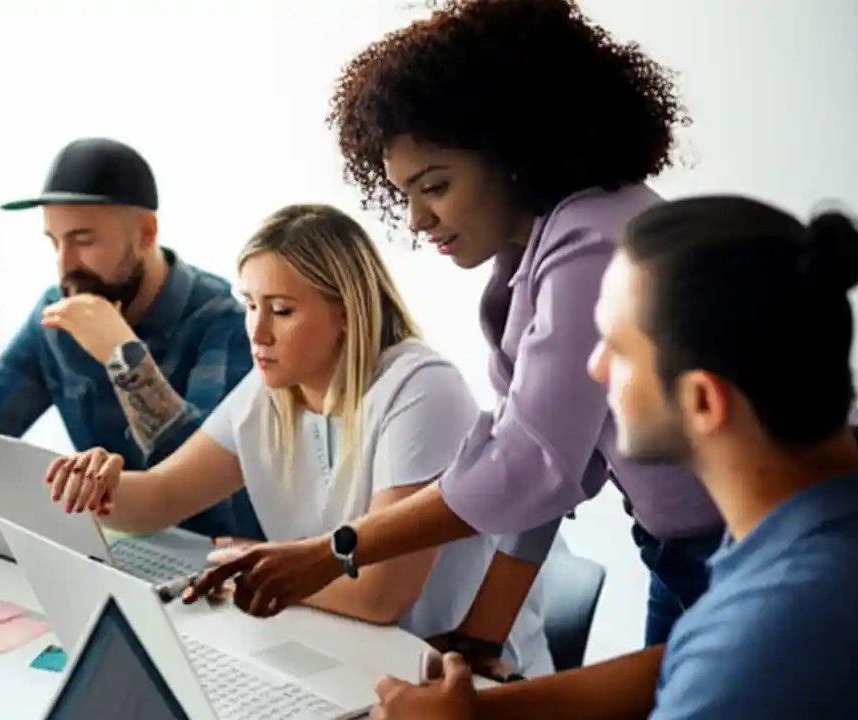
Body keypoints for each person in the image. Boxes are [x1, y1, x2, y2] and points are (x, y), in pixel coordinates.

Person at [190, 0, 723, 651]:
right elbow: (563, 461)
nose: (415, 219)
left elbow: (532, 463)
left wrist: (337, 549)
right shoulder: (535, 258)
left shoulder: (592, 246)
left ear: (515, 150)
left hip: (745, 543)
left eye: (434, 185)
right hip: (682, 549)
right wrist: (481, 636)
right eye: (404, 194)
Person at [369, 195, 858, 719]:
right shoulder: (852, 511)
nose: (595, 366)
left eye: (617, 348)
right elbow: (679, 660)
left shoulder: (761, 638)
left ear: (702, 402)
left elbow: (726, 660)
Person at [43, 204, 553, 676]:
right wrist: (94, 486)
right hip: (342, 652)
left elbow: (379, 596)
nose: (257, 332)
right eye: (250, 305)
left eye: (282, 310)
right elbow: (160, 497)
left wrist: (257, 563)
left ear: (347, 313)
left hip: (449, 671)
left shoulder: (421, 388)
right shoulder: (272, 389)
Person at [0, 137, 259, 539]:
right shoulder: (55, 315)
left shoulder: (224, 320)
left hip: (218, 561)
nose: (65, 265)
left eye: (83, 240)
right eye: (55, 242)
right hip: (109, 543)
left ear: (146, 233)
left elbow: (203, 493)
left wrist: (123, 356)